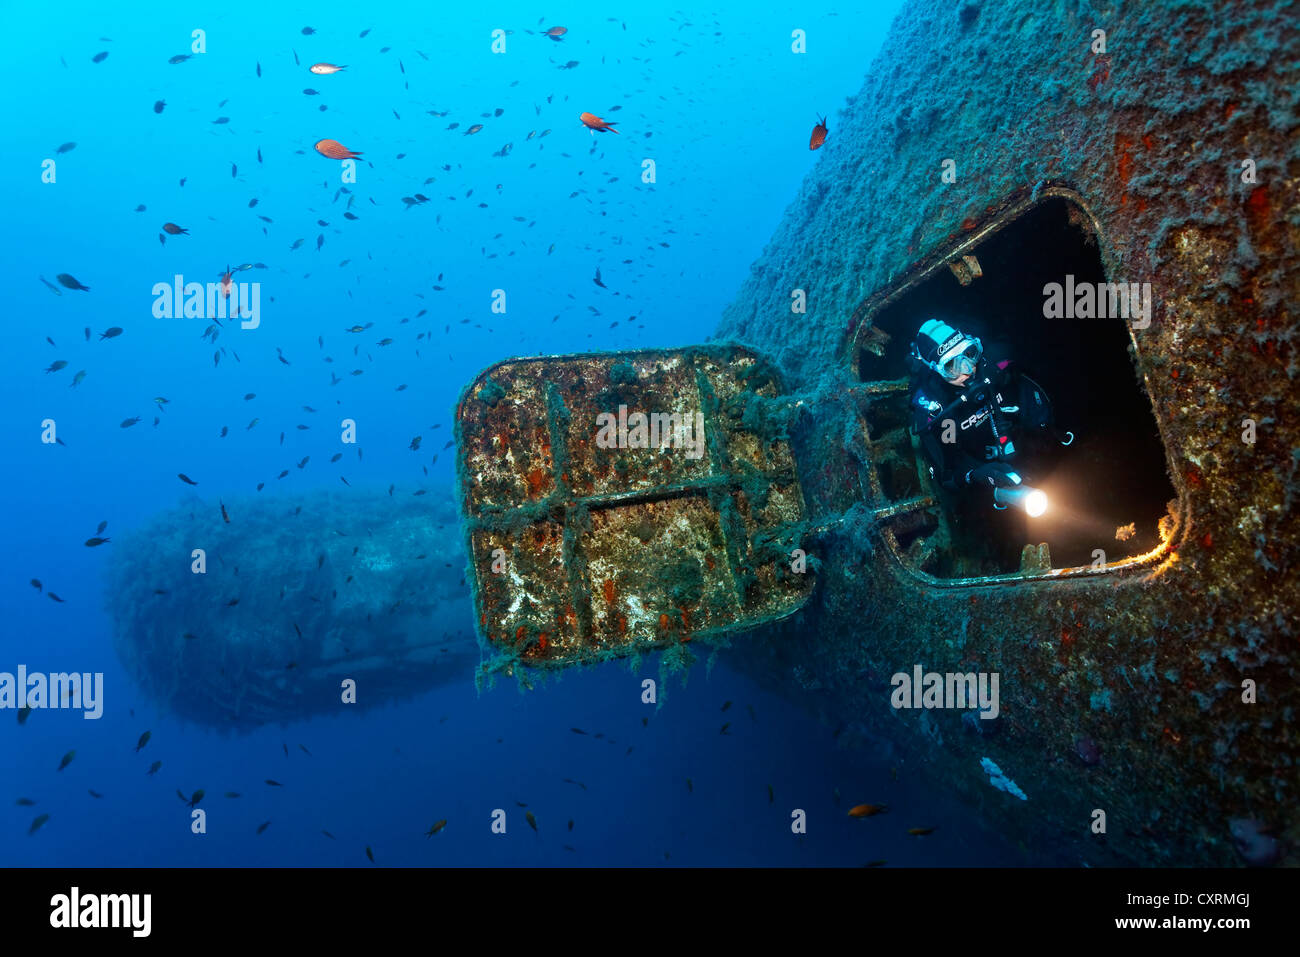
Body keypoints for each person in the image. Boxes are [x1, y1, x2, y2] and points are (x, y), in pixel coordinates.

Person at [908, 319, 1071, 505]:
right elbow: (949, 471)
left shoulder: (996, 367)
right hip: (993, 487)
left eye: (969, 353)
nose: (968, 369)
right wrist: (976, 475)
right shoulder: (941, 411)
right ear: (936, 370)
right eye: (951, 366)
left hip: (1040, 461)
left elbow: (1036, 392)